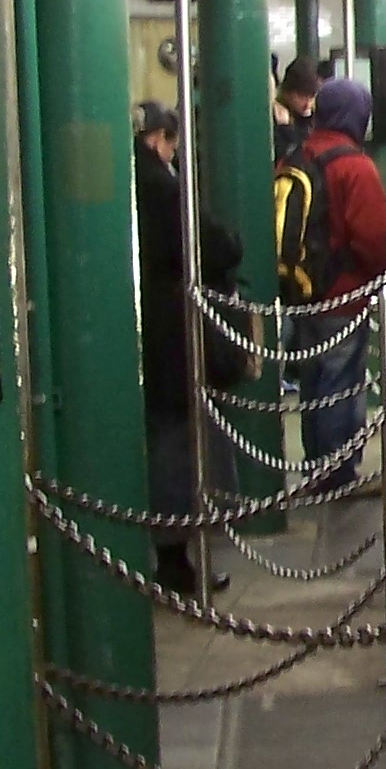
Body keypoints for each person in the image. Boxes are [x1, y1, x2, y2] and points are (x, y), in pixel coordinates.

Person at [133, 104, 240, 595]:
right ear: (160, 138)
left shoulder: (128, 185)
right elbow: (214, 244)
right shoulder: (162, 188)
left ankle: (172, 554)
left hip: (142, 339)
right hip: (172, 338)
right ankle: (180, 558)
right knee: (181, 451)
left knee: (163, 443)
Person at [279, 77, 386, 493]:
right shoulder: (354, 165)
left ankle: (318, 466)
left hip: (303, 290)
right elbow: (375, 237)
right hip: (344, 294)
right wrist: (381, 271)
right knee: (340, 382)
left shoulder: (297, 155)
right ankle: (339, 475)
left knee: (314, 382)